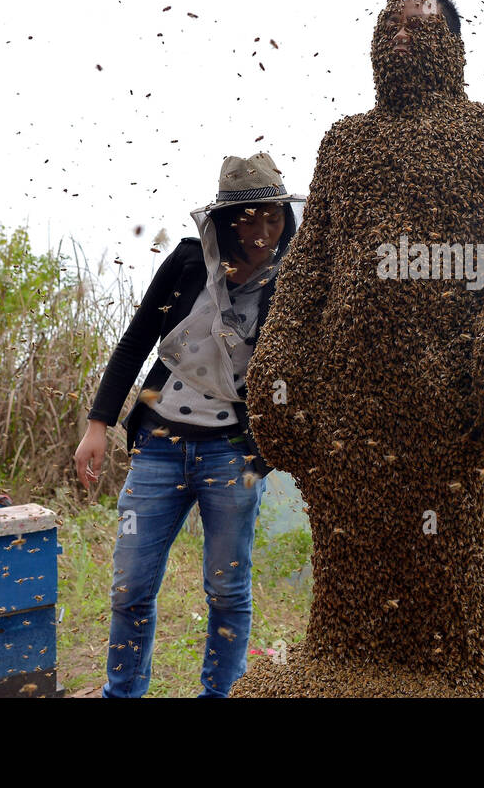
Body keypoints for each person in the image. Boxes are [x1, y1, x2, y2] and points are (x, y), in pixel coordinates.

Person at [235, 0, 484, 696]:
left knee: (464, 638)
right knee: (346, 629)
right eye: (389, 24)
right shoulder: (346, 143)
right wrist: (275, 355)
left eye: (418, 24)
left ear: (454, 45)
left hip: (453, 414)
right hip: (349, 430)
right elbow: (309, 264)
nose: (400, 35)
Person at [74, 152, 304, 697]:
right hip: (158, 445)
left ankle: (220, 693)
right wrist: (98, 424)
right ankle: (121, 693)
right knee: (130, 587)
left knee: (228, 592)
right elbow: (136, 340)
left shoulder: (293, 281)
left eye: (273, 217)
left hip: (233, 454)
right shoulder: (185, 264)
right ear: (226, 220)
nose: (264, 230)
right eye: (251, 218)